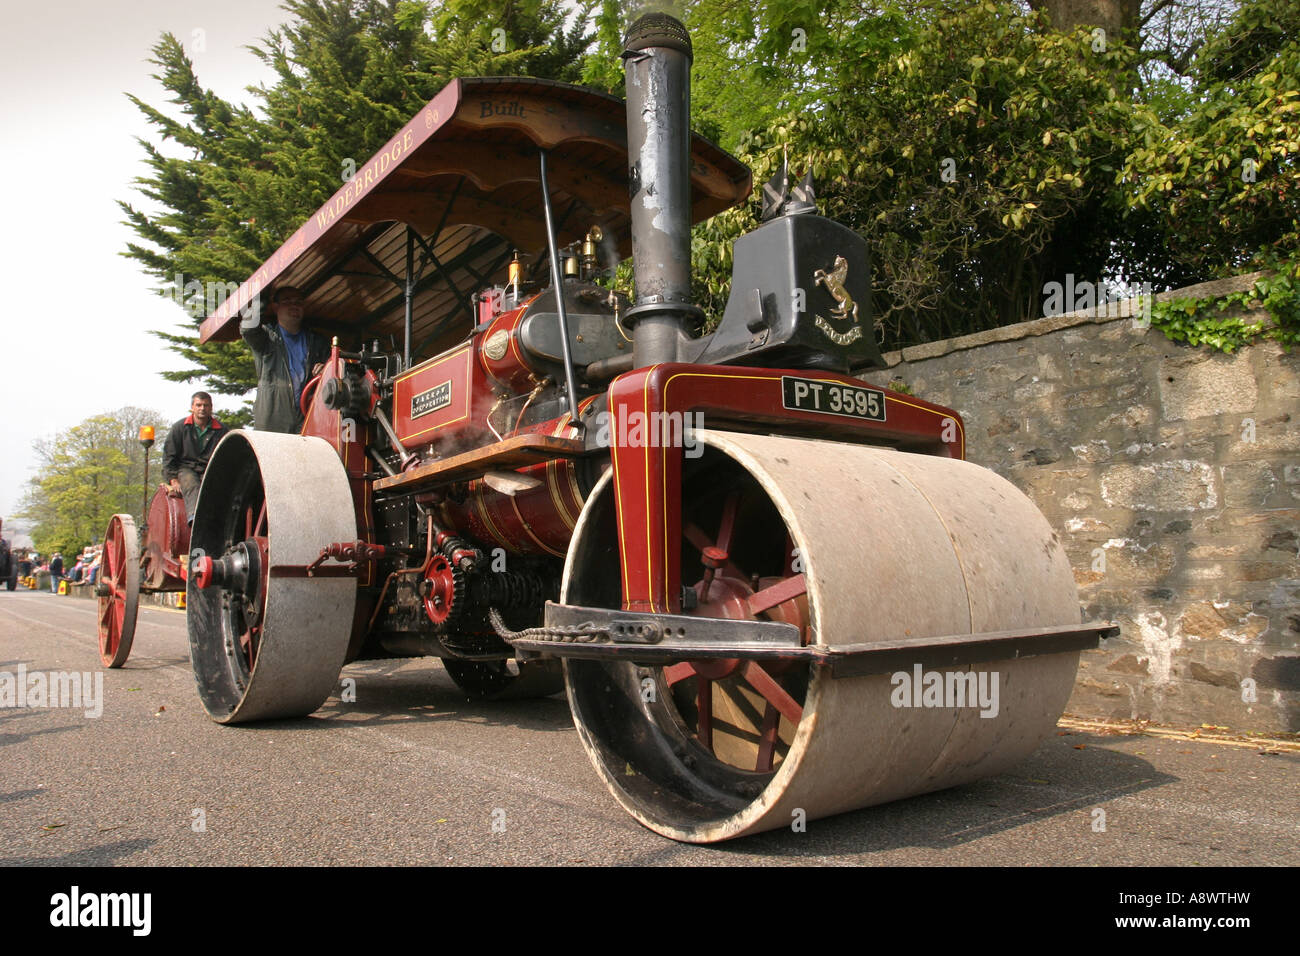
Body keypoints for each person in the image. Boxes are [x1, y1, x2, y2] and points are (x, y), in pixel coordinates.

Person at [241, 285, 330, 433]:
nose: (294, 305)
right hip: (273, 422)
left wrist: (325, 370)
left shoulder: (317, 342)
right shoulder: (266, 337)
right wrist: (260, 302)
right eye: (287, 301)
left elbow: (334, 370)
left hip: (307, 419)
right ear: (275, 307)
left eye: (298, 302)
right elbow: (247, 328)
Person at [163, 392, 226, 520]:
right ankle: (195, 518)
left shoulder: (222, 430)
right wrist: (172, 479)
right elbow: (169, 456)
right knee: (191, 482)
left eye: (206, 405)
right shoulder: (179, 428)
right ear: (192, 407)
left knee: (216, 487)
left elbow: (226, 458)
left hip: (209, 469)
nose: (202, 408)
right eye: (199, 405)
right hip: (185, 468)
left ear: (211, 407)